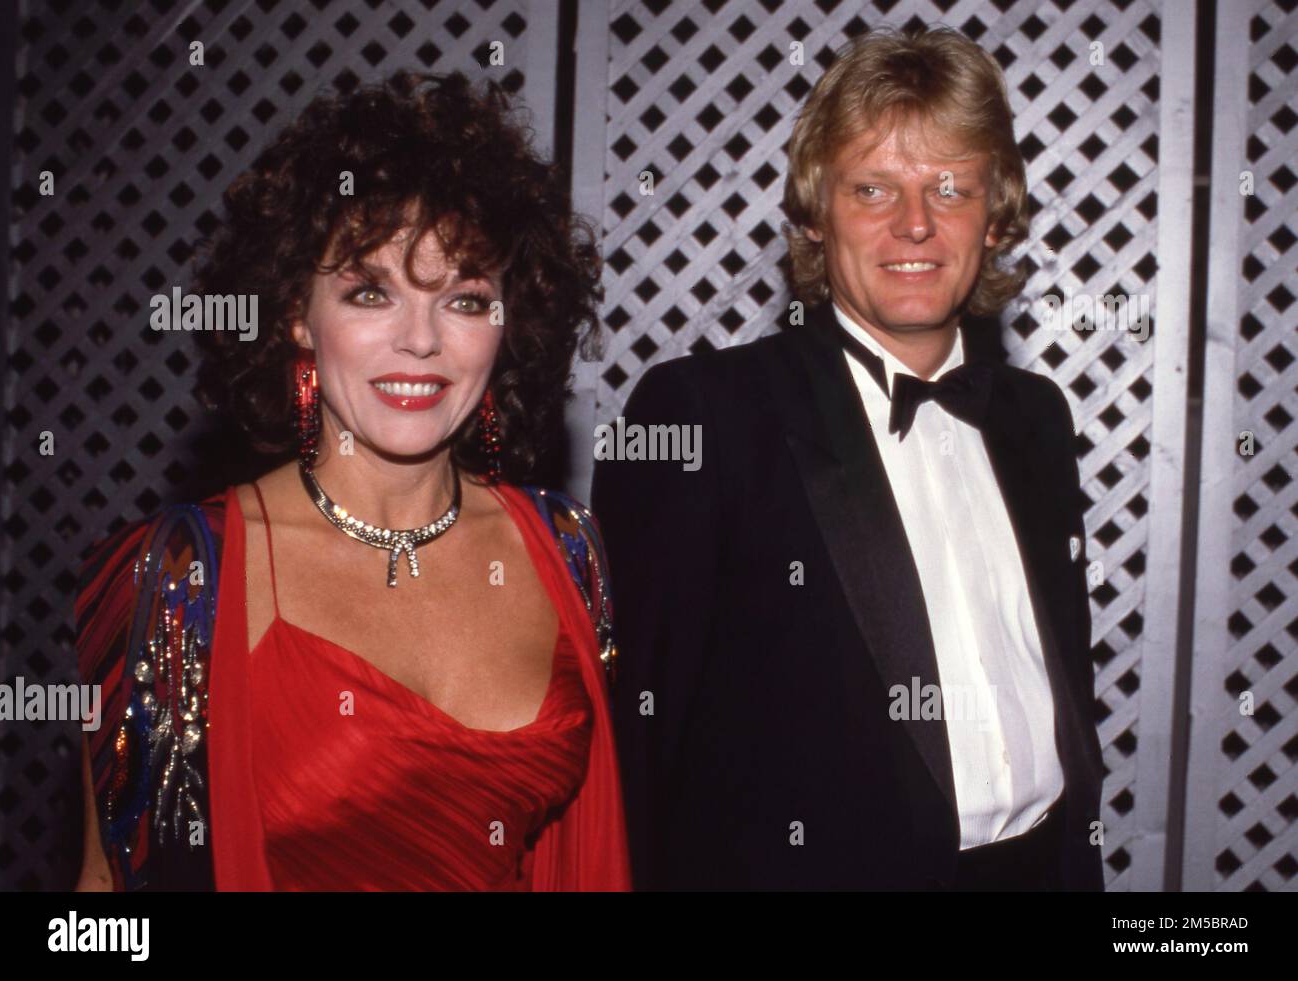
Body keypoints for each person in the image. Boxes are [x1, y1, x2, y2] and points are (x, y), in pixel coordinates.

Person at [75, 70, 630, 891]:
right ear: (298, 311)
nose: (421, 341)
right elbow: (101, 900)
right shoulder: (180, 576)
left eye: (466, 300)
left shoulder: (566, 551)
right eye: (371, 292)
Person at [592, 25, 1105, 890]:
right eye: (874, 188)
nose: (915, 222)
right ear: (815, 216)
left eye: (951, 187)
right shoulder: (701, 416)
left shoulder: (1036, 421)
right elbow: (635, 751)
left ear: (996, 216)